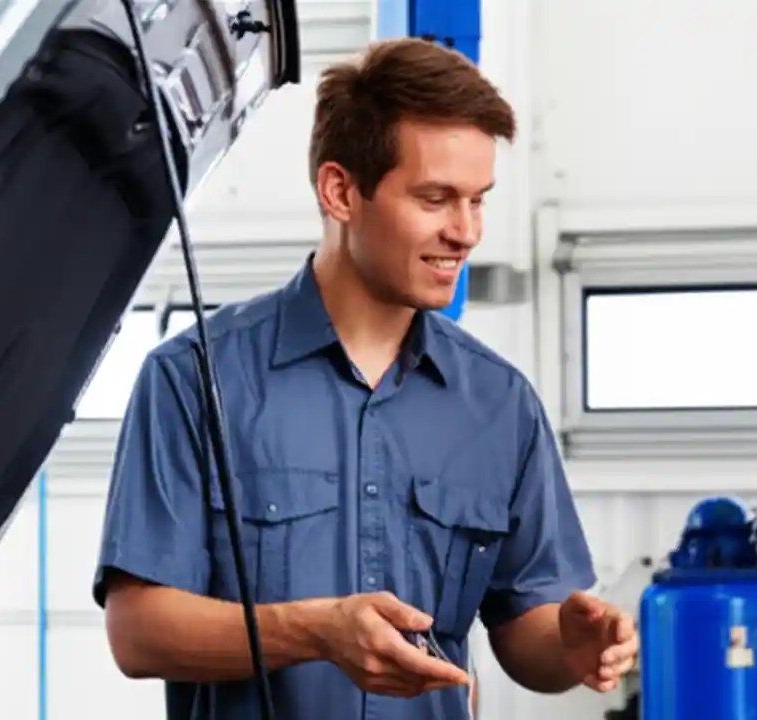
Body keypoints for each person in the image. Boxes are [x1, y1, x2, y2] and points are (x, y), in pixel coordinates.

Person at [91, 38, 638, 720]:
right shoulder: (193, 379)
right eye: (436, 199)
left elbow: (524, 626)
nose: (466, 232)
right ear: (341, 191)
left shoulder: (500, 404)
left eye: (478, 200)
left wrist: (573, 647)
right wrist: (318, 630)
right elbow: (139, 632)